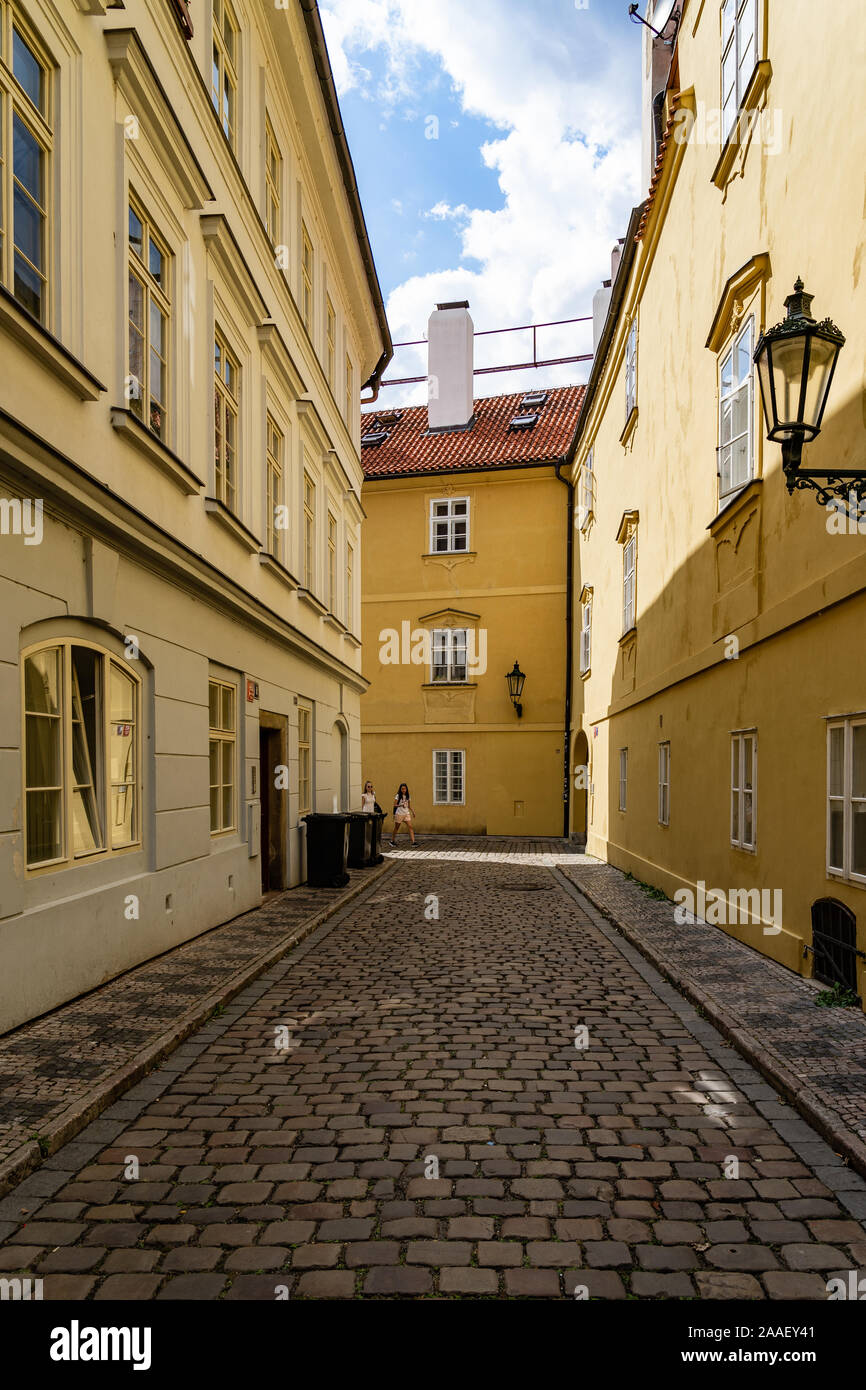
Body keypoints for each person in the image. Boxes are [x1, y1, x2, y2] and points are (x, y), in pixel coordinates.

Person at [390, 782, 416, 846]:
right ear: (400, 789)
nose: (403, 790)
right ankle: (392, 841)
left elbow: (409, 806)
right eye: (402, 789)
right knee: (396, 828)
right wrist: (400, 805)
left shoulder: (408, 796)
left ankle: (413, 842)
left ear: (406, 789)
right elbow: (395, 805)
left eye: (404, 789)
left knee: (410, 827)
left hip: (406, 813)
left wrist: (413, 812)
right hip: (399, 814)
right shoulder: (398, 796)